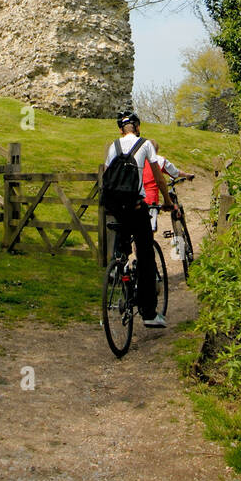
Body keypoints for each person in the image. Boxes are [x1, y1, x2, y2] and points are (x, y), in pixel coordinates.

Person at [104, 111, 171, 328]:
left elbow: (106, 177)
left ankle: (118, 269)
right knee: (146, 256)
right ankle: (149, 313)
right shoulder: (145, 144)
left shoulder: (113, 146)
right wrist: (167, 201)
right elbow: (158, 175)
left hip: (116, 208)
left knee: (121, 248)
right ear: (138, 127)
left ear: (120, 130)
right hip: (137, 207)